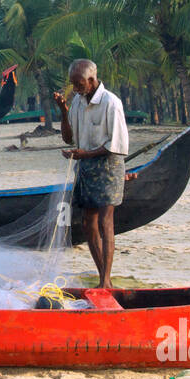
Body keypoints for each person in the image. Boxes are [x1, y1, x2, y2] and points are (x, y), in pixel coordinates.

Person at [53, 59, 130, 288]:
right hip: (86, 166)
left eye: (78, 84)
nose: (75, 88)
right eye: (72, 84)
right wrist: (63, 110)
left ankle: (105, 281)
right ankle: (102, 276)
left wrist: (84, 155)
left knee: (106, 221)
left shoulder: (110, 103)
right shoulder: (77, 102)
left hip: (108, 165)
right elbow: (69, 138)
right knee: (88, 222)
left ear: (91, 80)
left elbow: (114, 145)